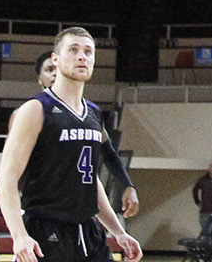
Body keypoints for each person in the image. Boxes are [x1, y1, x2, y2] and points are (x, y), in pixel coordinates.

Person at [0, 28, 142, 262]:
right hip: (45, 230)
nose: (82, 56)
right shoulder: (35, 109)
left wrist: (119, 232)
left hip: (89, 232)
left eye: (88, 52)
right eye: (73, 50)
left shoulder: (93, 113)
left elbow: (89, 180)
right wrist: (19, 235)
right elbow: (7, 179)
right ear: (56, 59)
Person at [36, 56, 137, 217]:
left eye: (57, 69)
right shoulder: (33, 111)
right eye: (49, 70)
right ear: (40, 79)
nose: (55, 74)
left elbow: (109, 155)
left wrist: (127, 185)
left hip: (82, 209)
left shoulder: (91, 112)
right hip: (46, 209)